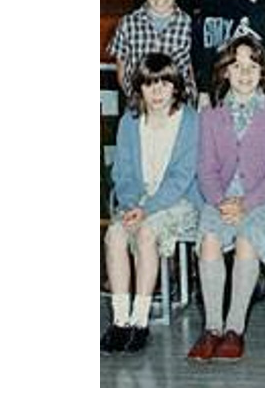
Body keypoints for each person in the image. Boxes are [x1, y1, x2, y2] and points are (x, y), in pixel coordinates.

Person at [187, 35, 265, 363]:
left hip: (262, 201)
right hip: (220, 199)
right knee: (210, 241)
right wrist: (221, 202)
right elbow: (206, 168)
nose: (245, 73)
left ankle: (234, 329)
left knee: (247, 242)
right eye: (237, 66)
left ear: (264, 72)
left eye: (252, 66)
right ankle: (212, 328)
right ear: (225, 72)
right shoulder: (211, 115)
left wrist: (245, 204)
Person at [101, 53, 201, 355]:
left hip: (178, 202)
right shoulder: (130, 122)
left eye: (164, 84)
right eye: (149, 85)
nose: (157, 92)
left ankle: (140, 319)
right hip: (137, 202)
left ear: (176, 87)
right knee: (115, 235)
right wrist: (132, 204)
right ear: (139, 88)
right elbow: (123, 172)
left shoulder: (190, 121)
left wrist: (147, 209)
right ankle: (120, 320)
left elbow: (182, 177)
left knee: (146, 234)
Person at [107, 0, 196, 103]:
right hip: (140, 103)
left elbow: (190, 68)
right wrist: (133, 98)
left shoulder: (188, 24)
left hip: (177, 104)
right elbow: (121, 69)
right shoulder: (128, 24)